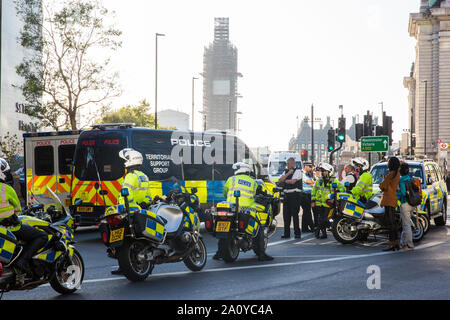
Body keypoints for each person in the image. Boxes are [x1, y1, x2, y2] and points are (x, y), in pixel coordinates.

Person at [213, 162, 273, 262]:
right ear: (247, 171)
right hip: (247, 208)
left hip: (230, 207)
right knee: (259, 226)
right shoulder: (252, 181)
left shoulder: (230, 179)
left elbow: (225, 192)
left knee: (224, 229)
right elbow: (254, 194)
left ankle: (219, 252)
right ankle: (261, 254)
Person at [0, 160, 47, 277]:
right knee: (41, 236)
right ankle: (23, 261)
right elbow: (18, 210)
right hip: (10, 228)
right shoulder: (6, 189)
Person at [111, 148, 153, 274]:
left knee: (122, 239)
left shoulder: (130, 176)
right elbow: (148, 195)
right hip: (140, 211)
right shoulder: (143, 176)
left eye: (124, 160)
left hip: (128, 211)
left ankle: (123, 265)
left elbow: (127, 196)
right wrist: (143, 204)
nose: (123, 162)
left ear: (129, 161)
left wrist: (124, 209)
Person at [311, 163, 344, 239]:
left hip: (329, 204)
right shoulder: (319, 181)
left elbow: (342, 188)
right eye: (322, 171)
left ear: (330, 172)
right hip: (319, 204)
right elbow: (314, 191)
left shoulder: (334, 180)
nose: (323, 173)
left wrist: (338, 190)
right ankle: (324, 233)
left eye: (325, 171)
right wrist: (313, 201)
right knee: (320, 219)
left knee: (324, 219)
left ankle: (318, 230)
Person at [278, 157, 303, 239]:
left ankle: (297, 233)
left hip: (295, 195)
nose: (287, 165)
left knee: (295, 215)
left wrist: (284, 180)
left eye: (288, 164)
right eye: (286, 164)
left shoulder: (298, 171)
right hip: (286, 195)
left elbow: (293, 181)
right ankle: (286, 233)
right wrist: (288, 174)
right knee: (286, 215)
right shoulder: (286, 171)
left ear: (292, 164)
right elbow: (279, 180)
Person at [380, 157, 401, 251]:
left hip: (388, 199)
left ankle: (391, 243)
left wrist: (384, 180)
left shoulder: (391, 174)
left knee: (390, 223)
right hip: (393, 199)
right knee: (393, 222)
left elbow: (382, 186)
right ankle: (396, 242)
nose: (387, 164)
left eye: (388, 162)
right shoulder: (397, 174)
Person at [397, 162, 414, 250]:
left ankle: (409, 244)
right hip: (412, 203)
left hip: (405, 203)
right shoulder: (410, 178)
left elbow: (403, 193)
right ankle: (403, 243)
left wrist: (396, 193)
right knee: (405, 224)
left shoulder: (402, 180)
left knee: (406, 225)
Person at [300, 161, 315, 232]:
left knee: (306, 212)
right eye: (309, 167)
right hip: (303, 194)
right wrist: (312, 183)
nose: (310, 168)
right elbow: (309, 181)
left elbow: (312, 182)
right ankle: (312, 227)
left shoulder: (308, 174)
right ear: (305, 166)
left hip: (309, 195)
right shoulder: (301, 173)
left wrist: (312, 183)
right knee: (307, 211)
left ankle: (304, 228)